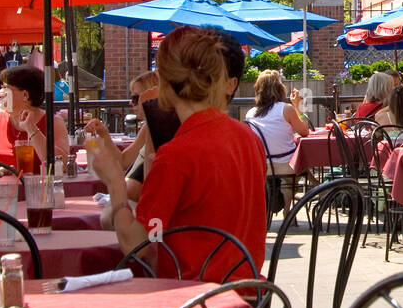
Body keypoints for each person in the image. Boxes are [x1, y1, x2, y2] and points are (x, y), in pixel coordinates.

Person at [85, 27, 267, 280]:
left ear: (165, 84)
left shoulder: (177, 154)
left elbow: (137, 246)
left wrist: (114, 181)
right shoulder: (248, 138)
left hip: (191, 302)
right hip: (246, 302)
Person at [0, 65, 70, 173]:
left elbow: (63, 165)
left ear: (25, 95)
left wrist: (32, 129)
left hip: (38, 188)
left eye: (5, 88)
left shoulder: (53, 122)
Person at [245, 69, 310, 216]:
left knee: (297, 168)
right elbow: (305, 131)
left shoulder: (250, 114)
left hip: (262, 165)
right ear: (280, 88)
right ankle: (289, 209)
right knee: (302, 163)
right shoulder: (286, 109)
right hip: (287, 165)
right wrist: (298, 107)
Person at [120, 70, 159, 202]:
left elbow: (133, 191)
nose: (131, 103)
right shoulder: (149, 127)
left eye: (136, 98)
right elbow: (124, 160)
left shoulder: (158, 131)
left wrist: (110, 177)